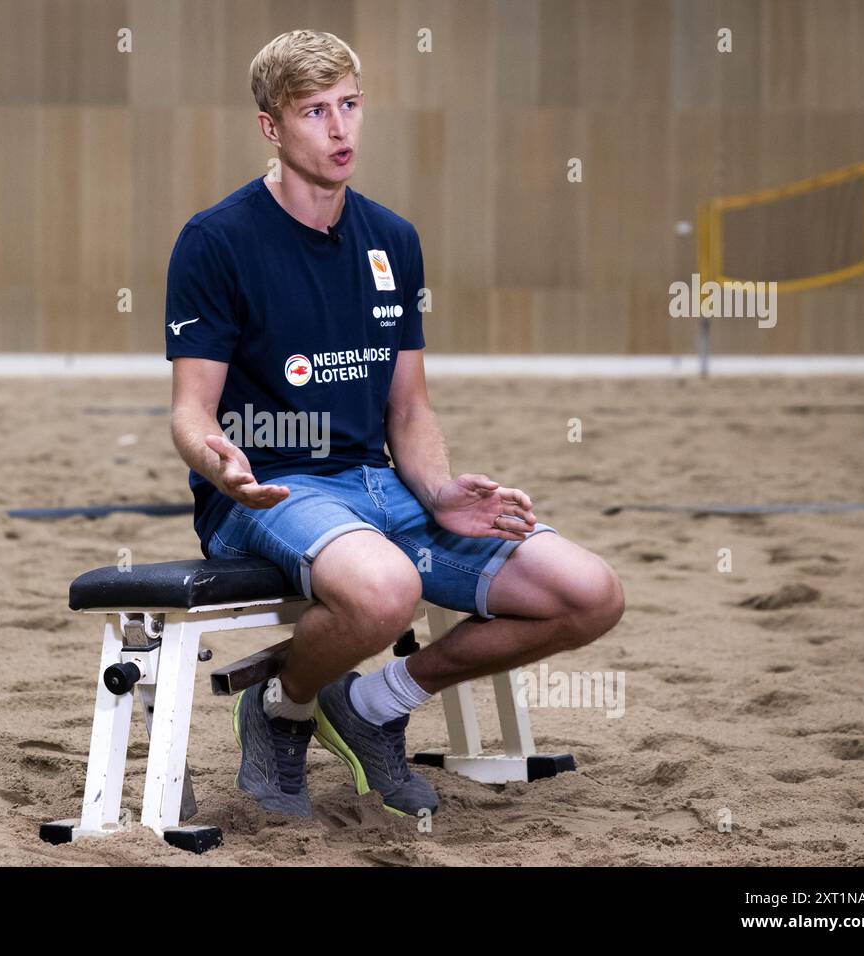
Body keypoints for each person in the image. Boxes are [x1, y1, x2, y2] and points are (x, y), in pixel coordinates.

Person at [164, 30, 624, 818]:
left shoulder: (392, 240)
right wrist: (219, 464)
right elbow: (190, 410)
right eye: (315, 112)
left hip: (380, 486)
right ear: (272, 127)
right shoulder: (217, 241)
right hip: (272, 492)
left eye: (350, 105)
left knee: (589, 594)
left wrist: (441, 490)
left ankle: (374, 705)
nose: (340, 130)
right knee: (387, 593)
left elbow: (408, 407)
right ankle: (283, 707)